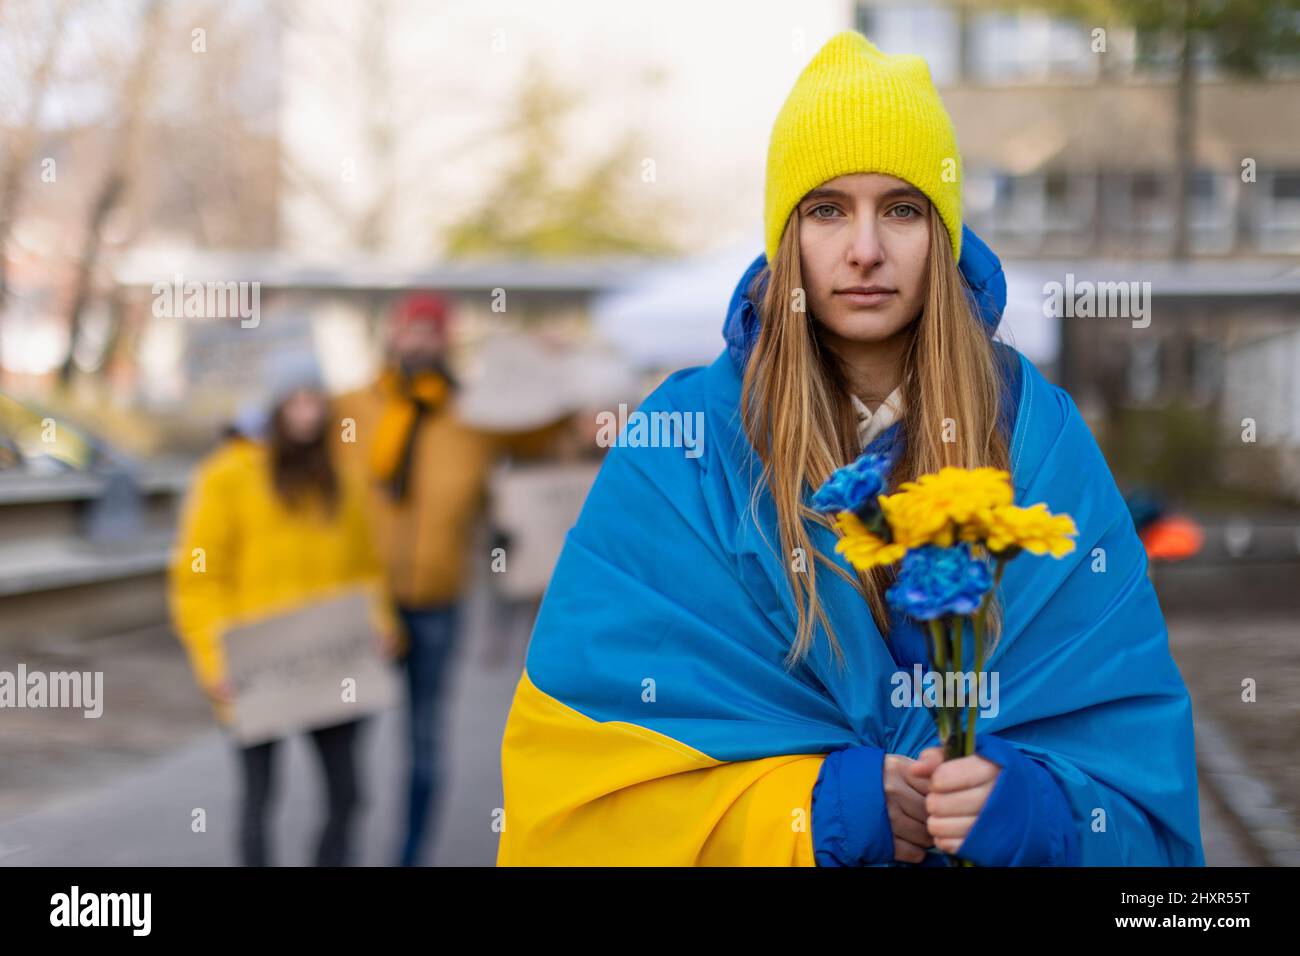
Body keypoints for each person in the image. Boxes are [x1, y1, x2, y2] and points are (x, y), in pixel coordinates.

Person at [497, 31, 1205, 866]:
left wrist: (1030, 813)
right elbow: (583, 798)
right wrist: (818, 815)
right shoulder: (682, 442)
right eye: (828, 209)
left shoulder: (1039, 435)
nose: (865, 248)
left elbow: (1134, 783)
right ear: (786, 234)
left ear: (940, 234)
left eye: (901, 209)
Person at [334, 292, 566, 866]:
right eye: (409, 331)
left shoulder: (474, 414)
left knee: (425, 743)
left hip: (437, 601)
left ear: (445, 342)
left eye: (430, 333)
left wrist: (547, 366)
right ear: (391, 336)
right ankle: (337, 849)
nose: (418, 342)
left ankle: (410, 857)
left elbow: (545, 435)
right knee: (343, 744)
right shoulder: (352, 407)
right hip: (358, 603)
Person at [169, 351, 396, 866]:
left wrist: (381, 625)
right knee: (259, 800)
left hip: (333, 662)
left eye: (315, 400)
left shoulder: (343, 478)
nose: (306, 414)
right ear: (275, 408)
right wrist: (215, 659)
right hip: (255, 664)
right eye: (294, 401)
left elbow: (368, 567)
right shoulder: (227, 475)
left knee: (348, 795)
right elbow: (198, 579)